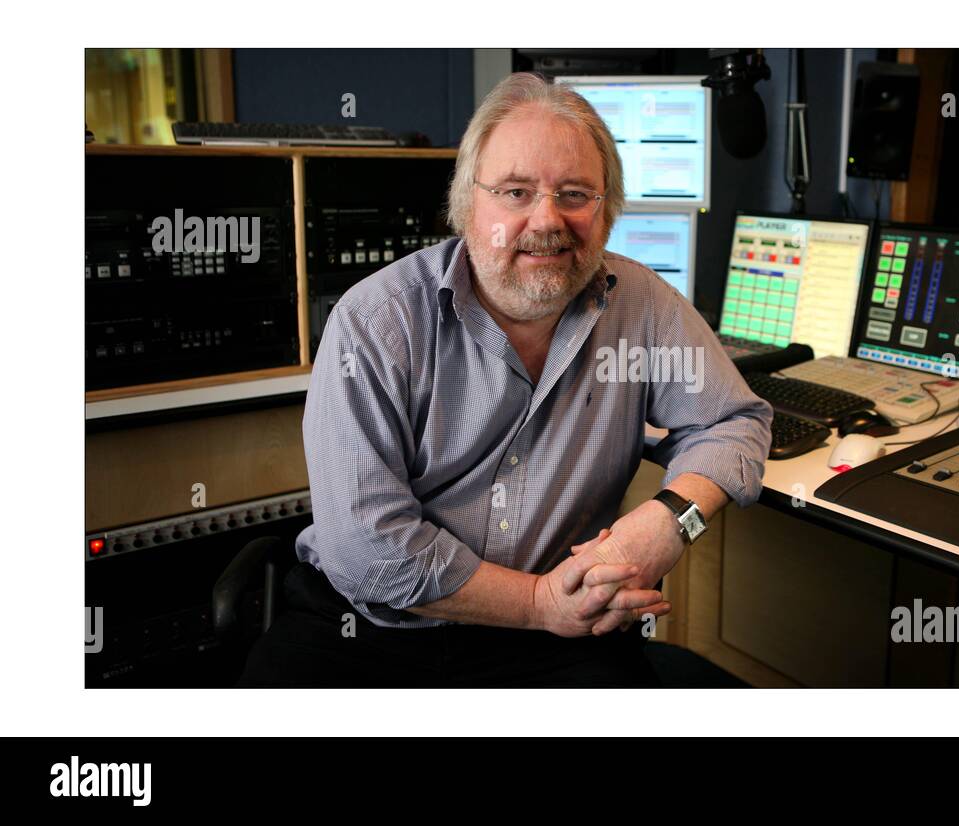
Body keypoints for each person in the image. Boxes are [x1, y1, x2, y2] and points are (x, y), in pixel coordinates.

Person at [240, 72, 772, 687]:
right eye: (516, 192)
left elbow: (734, 420)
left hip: (564, 635)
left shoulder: (642, 304)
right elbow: (368, 552)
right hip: (372, 627)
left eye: (575, 194)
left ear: (606, 211)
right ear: (467, 205)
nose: (547, 220)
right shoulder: (374, 322)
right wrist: (538, 602)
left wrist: (672, 522)